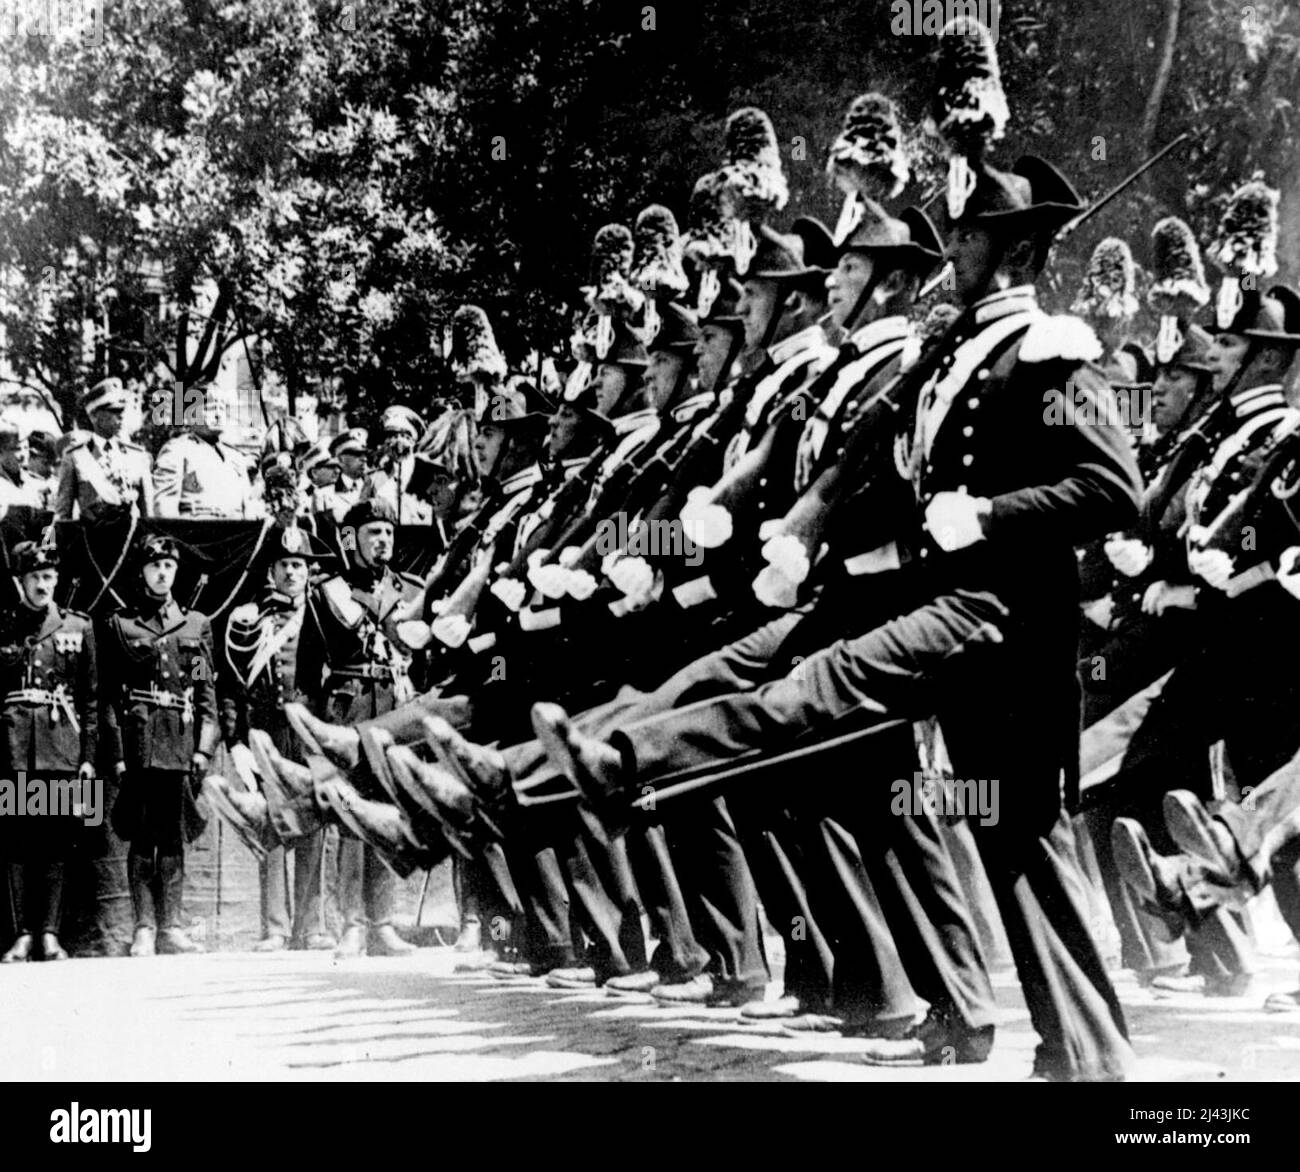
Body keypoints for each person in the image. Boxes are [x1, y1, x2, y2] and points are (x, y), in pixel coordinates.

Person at [529, 152, 1144, 1082]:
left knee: (827, 694)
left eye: (971, 236)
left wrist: (987, 514)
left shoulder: (1049, 352)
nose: (955, 251)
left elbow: (1111, 490)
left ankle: (628, 759)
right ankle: (1085, 1058)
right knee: (1017, 838)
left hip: (1003, 616)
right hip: (950, 606)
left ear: (1014, 251)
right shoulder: (950, 349)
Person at [297, 499, 424, 957]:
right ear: (351, 539)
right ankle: (352, 922)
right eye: (373, 533)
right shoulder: (329, 593)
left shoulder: (412, 591)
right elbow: (308, 675)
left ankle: (384, 922)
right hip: (348, 709)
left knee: (389, 810)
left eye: (388, 532)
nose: (383, 540)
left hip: (395, 708)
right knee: (352, 814)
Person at [219, 525, 339, 952]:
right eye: (285, 565)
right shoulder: (249, 617)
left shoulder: (324, 615)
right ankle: (275, 926)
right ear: (271, 570)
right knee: (271, 824)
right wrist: (234, 741)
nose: (292, 573)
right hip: (267, 733)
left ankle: (312, 926)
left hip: (309, 732)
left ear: (309, 571)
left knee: (313, 827)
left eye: (299, 565)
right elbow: (231, 685)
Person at [103, 535, 219, 957]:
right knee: (140, 838)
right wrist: (116, 757)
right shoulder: (122, 625)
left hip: (179, 745)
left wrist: (203, 751)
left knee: (171, 838)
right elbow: (109, 701)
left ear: (176, 572)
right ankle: (144, 928)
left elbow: (206, 693)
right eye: (155, 566)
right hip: (139, 745)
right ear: (142, 572)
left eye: (169, 566)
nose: (162, 573)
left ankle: (171, 925)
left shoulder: (196, 624)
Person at [0, 542, 97, 963]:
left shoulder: (78, 627)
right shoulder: (4, 625)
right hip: (16, 748)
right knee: (19, 843)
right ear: (20, 581)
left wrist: (89, 756)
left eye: (49, 577)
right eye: (35, 577)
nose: (43, 584)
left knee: (58, 841)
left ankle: (51, 935)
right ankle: (22, 933)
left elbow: (91, 699)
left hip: (61, 748)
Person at [55, 378, 154, 522]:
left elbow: (149, 516)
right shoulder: (75, 457)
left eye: (122, 410)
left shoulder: (137, 456)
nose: (120, 415)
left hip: (131, 541)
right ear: (94, 416)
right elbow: (63, 517)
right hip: (93, 541)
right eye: (114, 410)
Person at [153, 386, 256, 518]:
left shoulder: (236, 458)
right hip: (195, 534)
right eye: (210, 408)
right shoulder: (177, 451)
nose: (218, 415)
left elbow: (249, 509)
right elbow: (165, 509)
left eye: (222, 408)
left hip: (237, 534)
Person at [363, 406, 433, 525]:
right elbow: (354, 520)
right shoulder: (374, 479)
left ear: (413, 440)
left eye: (403, 436)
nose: (396, 442)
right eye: (390, 436)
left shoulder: (429, 476)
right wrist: (348, 544)